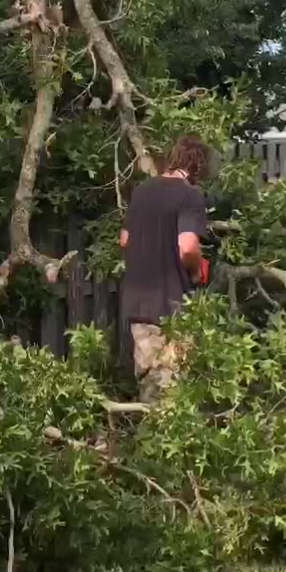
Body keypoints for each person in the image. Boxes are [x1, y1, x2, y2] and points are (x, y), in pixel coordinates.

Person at [119, 135, 212, 403]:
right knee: (170, 394)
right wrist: (195, 272)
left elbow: (125, 239)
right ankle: (164, 442)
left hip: (138, 303)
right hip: (171, 306)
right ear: (196, 166)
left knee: (149, 385)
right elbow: (187, 248)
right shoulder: (190, 194)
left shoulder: (142, 190)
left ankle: (149, 440)